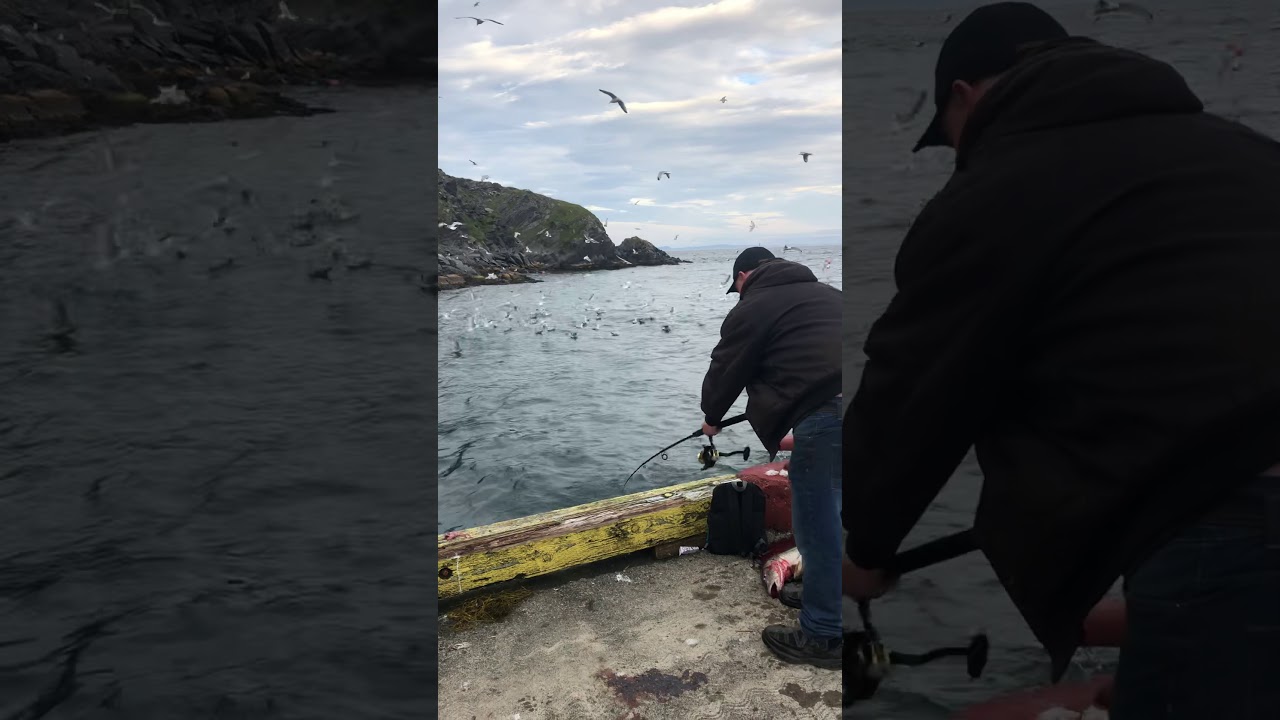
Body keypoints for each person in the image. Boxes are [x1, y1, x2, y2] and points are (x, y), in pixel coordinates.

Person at [842, 2, 1280, 717]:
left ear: (963, 96)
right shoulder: (1243, 150)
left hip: (1239, 522)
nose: (957, 154)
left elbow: (915, 392)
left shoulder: (997, 188)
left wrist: (865, 549)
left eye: (948, 138)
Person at [701, 246, 842, 669]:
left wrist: (712, 419)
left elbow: (727, 368)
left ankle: (824, 634)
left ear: (743, 276)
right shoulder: (829, 295)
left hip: (831, 410)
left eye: (736, 287)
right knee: (842, 510)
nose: (738, 294)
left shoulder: (755, 305)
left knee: (817, 523)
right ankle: (827, 592)